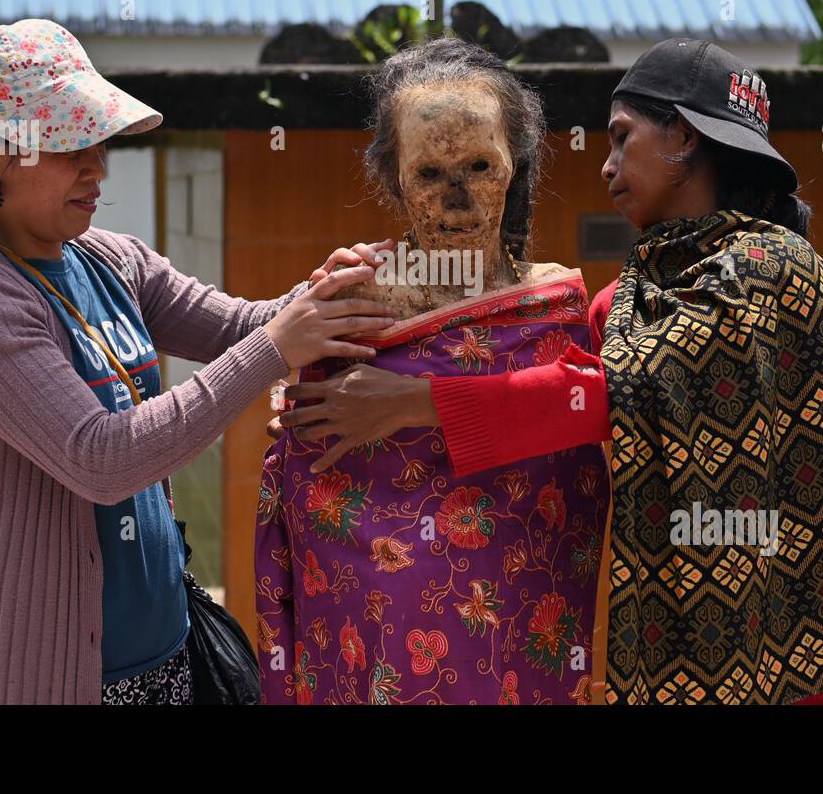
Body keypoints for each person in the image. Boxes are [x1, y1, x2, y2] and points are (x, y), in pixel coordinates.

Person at [276, 38, 823, 705]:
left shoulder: (766, 268)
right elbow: (543, 361)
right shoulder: (635, 296)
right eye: (427, 175)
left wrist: (407, 402)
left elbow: (613, 392)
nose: (607, 166)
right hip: (751, 646)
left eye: (623, 139)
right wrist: (360, 304)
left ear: (682, 137)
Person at [0, 18, 397, 704]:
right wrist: (277, 345)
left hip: (165, 657)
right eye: (70, 143)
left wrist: (325, 289)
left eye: (99, 141)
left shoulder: (109, 259)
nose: (97, 166)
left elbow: (239, 327)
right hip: (45, 677)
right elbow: (100, 458)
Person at [256, 38, 608, 704]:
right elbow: (310, 477)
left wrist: (419, 404)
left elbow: (582, 439)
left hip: (525, 620)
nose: (457, 200)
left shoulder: (559, 311)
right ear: (391, 178)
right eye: (428, 174)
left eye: (479, 166)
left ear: (516, 166)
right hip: (389, 648)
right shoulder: (350, 305)